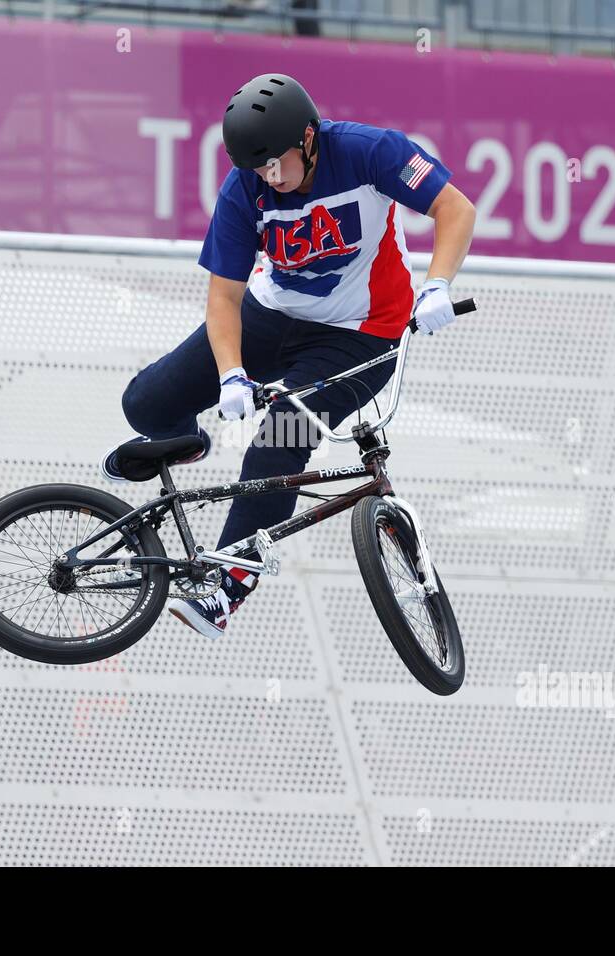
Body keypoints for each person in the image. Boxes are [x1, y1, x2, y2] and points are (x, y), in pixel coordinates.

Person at [103, 72, 475, 639]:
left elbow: (455, 209)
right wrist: (230, 374)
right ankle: (190, 444)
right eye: (258, 170)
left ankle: (228, 584)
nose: (270, 179)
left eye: (276, 164)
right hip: (271, 317)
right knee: (146, 405)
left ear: (307, 138)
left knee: (282, 436)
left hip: (362, 335)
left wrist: (438, 284)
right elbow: (223, 297)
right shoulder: (244, 190)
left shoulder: (370, 152)